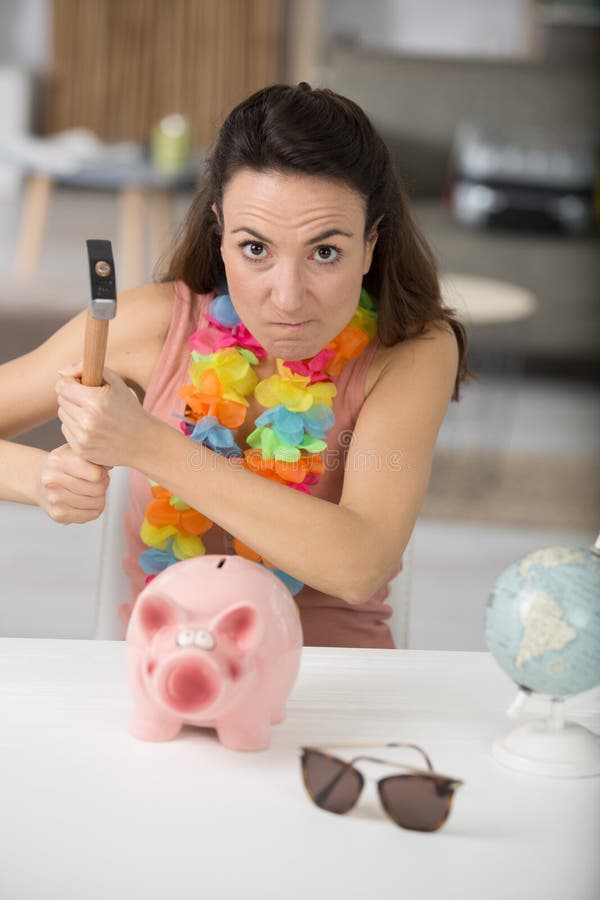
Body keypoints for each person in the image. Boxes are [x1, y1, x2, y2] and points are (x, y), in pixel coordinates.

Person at [0, 83, 468, 648]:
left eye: (325, 252)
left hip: (331, 687)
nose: (289, 297)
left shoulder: (412, 350)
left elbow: (358, 563)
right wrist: (40, 479)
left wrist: (146, 445)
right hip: (161, 675)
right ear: (221, 233)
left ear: (371, 244)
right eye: (255, 249)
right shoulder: (148, 324)